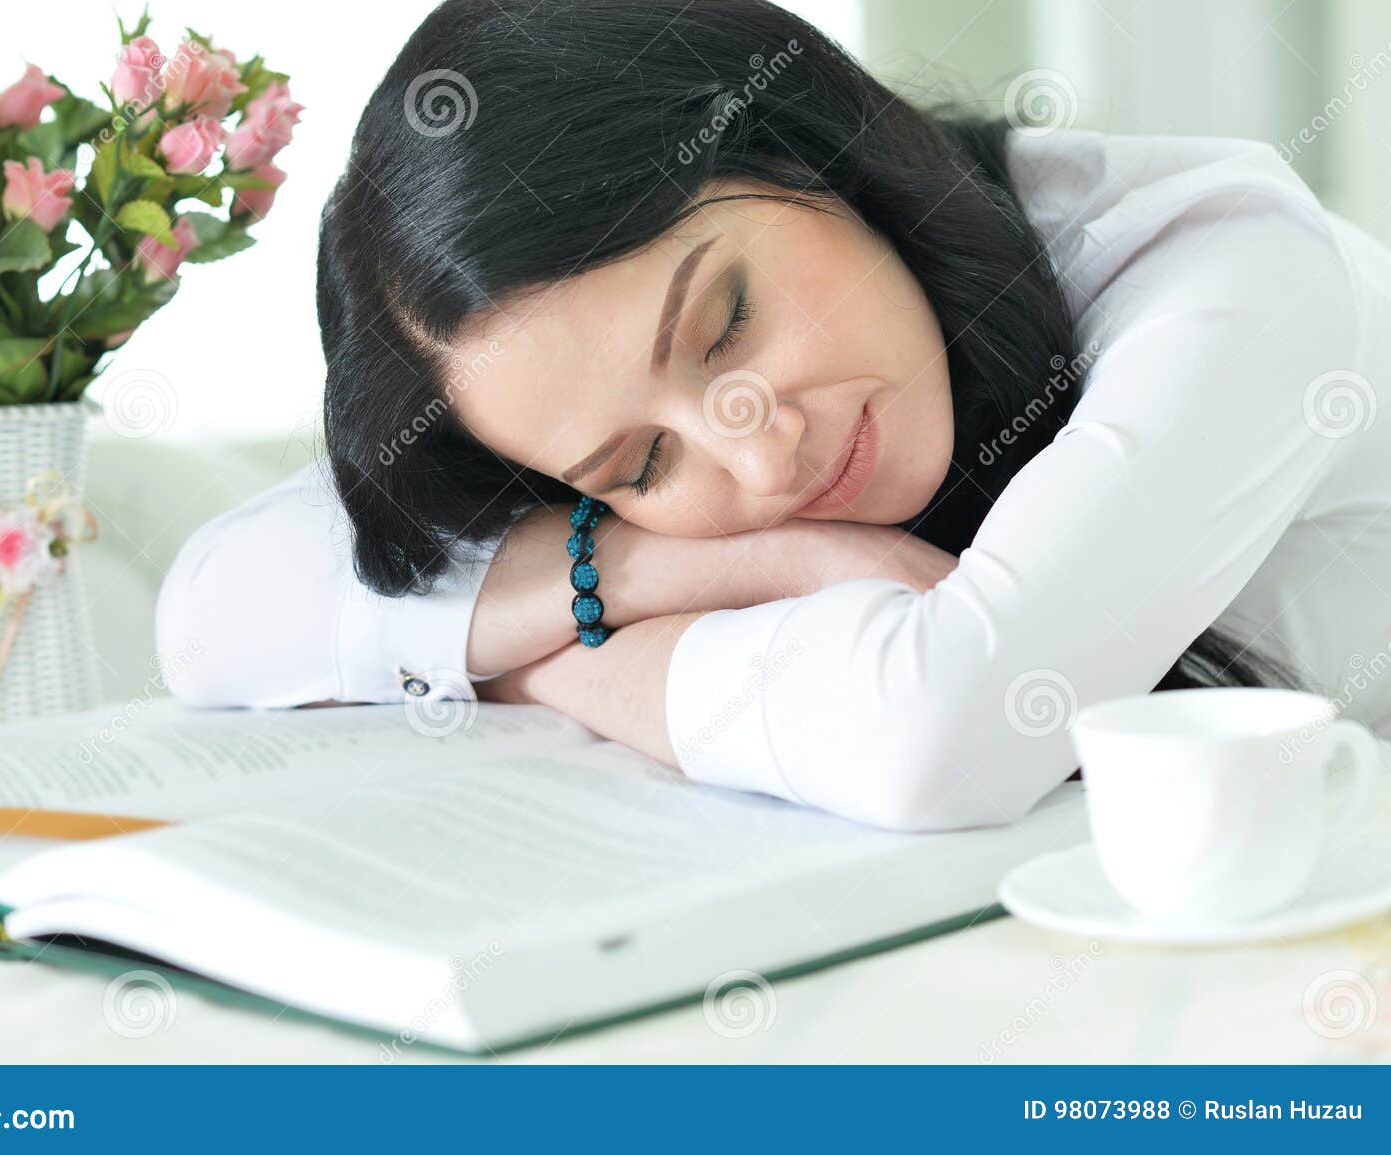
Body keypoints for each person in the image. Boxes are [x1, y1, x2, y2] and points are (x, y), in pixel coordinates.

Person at [156, 0, 1391, 831]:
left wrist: (561, 665)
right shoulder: (612, 451)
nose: (758, 454)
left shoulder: (1226, 262)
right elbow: (213, 613)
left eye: (726, 324)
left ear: (806, 148)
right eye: (641, 463)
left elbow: (942, 732)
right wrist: (657, 568)